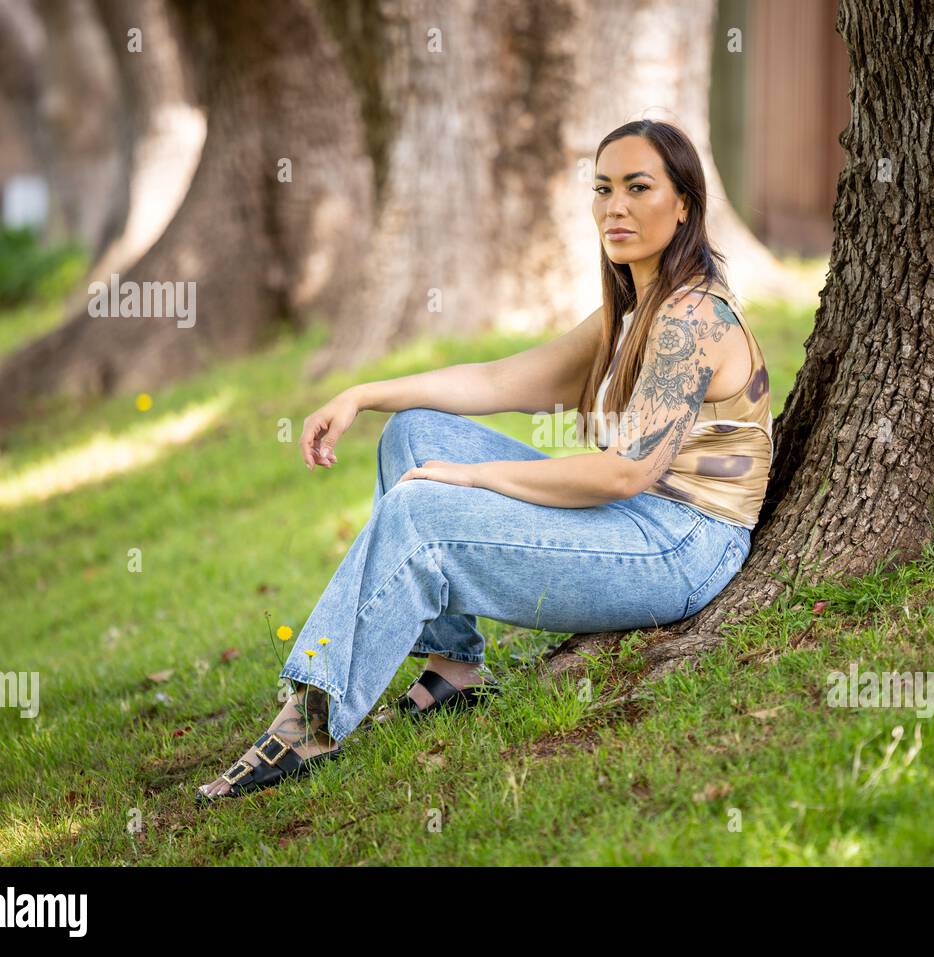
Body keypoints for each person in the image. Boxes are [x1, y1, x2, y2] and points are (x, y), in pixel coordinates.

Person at [196, 119, 774, 803]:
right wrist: (365, 395)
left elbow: (626, 472)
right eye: (603, 189)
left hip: (681, 544)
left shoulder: (691, 318)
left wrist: (472, 479)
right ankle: (453, 672)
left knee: (423, 512)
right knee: (414, 436)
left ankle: (312, 718)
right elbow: (501, 383)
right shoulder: (630, 310)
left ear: (684, 204)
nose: (614, 207)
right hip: (636, 520)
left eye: (638, 188)